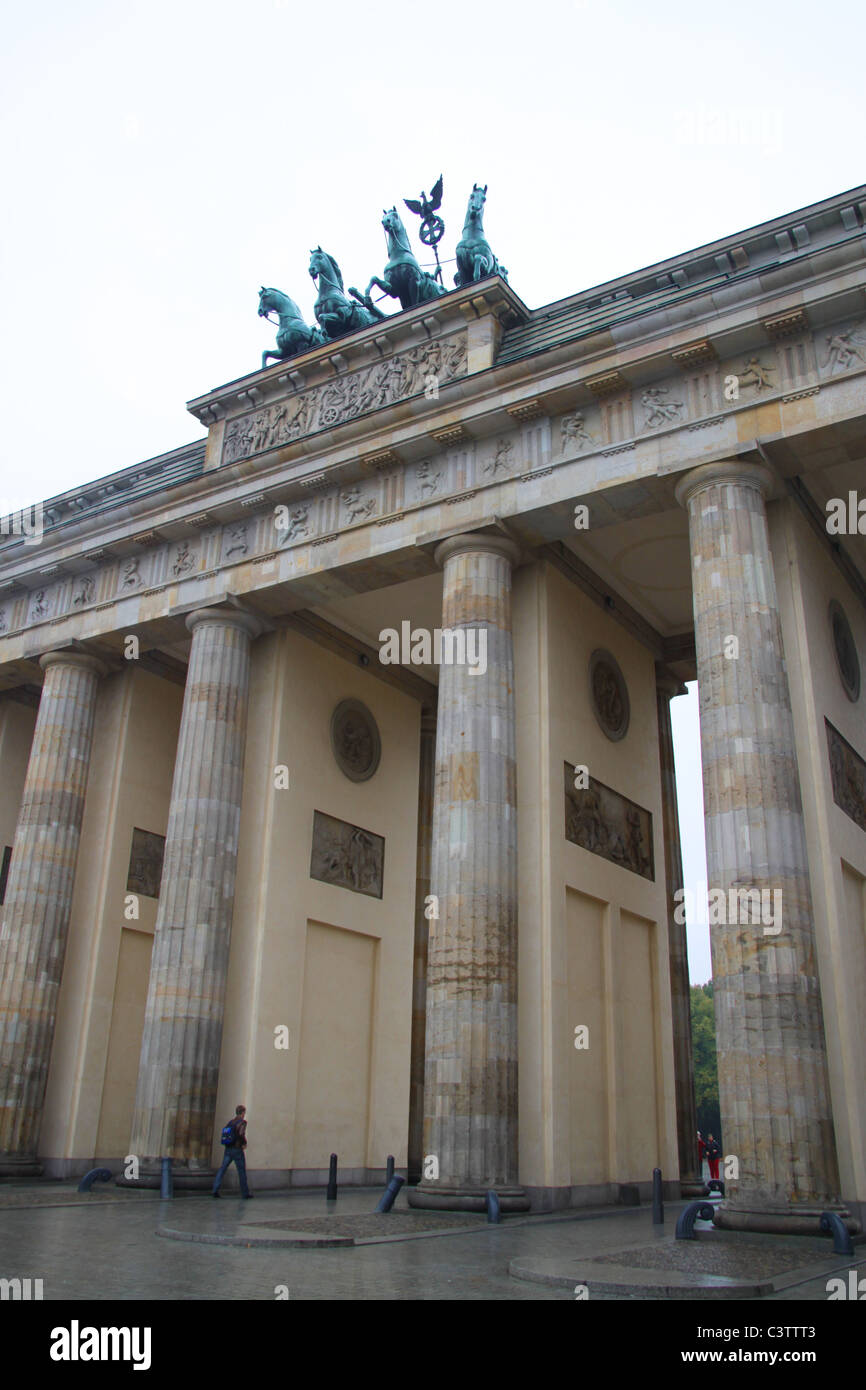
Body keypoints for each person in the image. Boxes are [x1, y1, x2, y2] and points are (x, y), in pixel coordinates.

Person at [212, 1105, 253, 1198]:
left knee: (222, 1169)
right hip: (237, 1149)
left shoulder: (231, 1122)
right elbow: (241, 1134)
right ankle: (245, 1193)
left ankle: (215, 1189)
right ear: (242, 1113)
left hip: (228, 1148)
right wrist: (244, 1143)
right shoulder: (242, 1122)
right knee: (241, 1171)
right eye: (244, 1113)